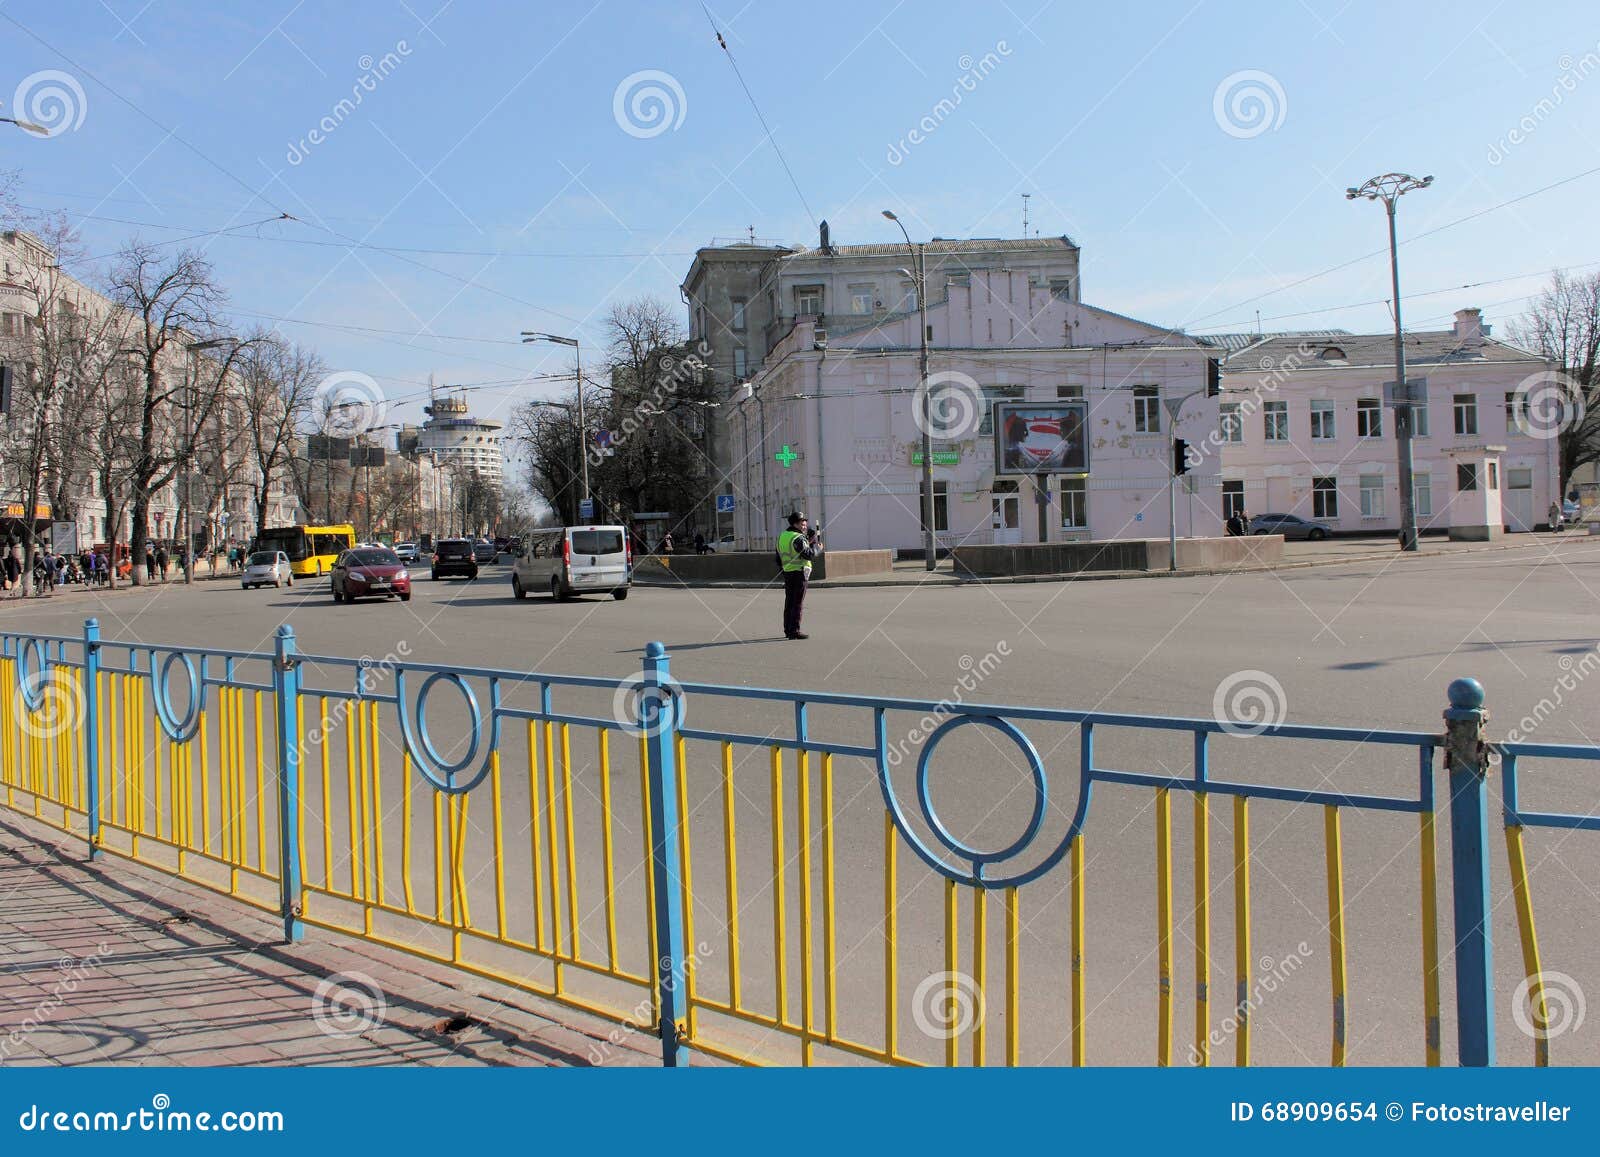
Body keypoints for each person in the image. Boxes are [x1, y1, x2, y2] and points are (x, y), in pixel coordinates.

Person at [776, 510, 821, 640]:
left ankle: (787, 630)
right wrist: (817, 549)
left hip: (788, 572)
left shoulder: (782, 536)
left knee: (789, 602)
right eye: (802, 523)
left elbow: (778, 558)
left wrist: (784, 570)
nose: (805, 526)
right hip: (799, 573)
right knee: (797, 603)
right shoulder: (798, 538)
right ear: (795, 524)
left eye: (805, 523)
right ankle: (794, 631)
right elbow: (807, 554)